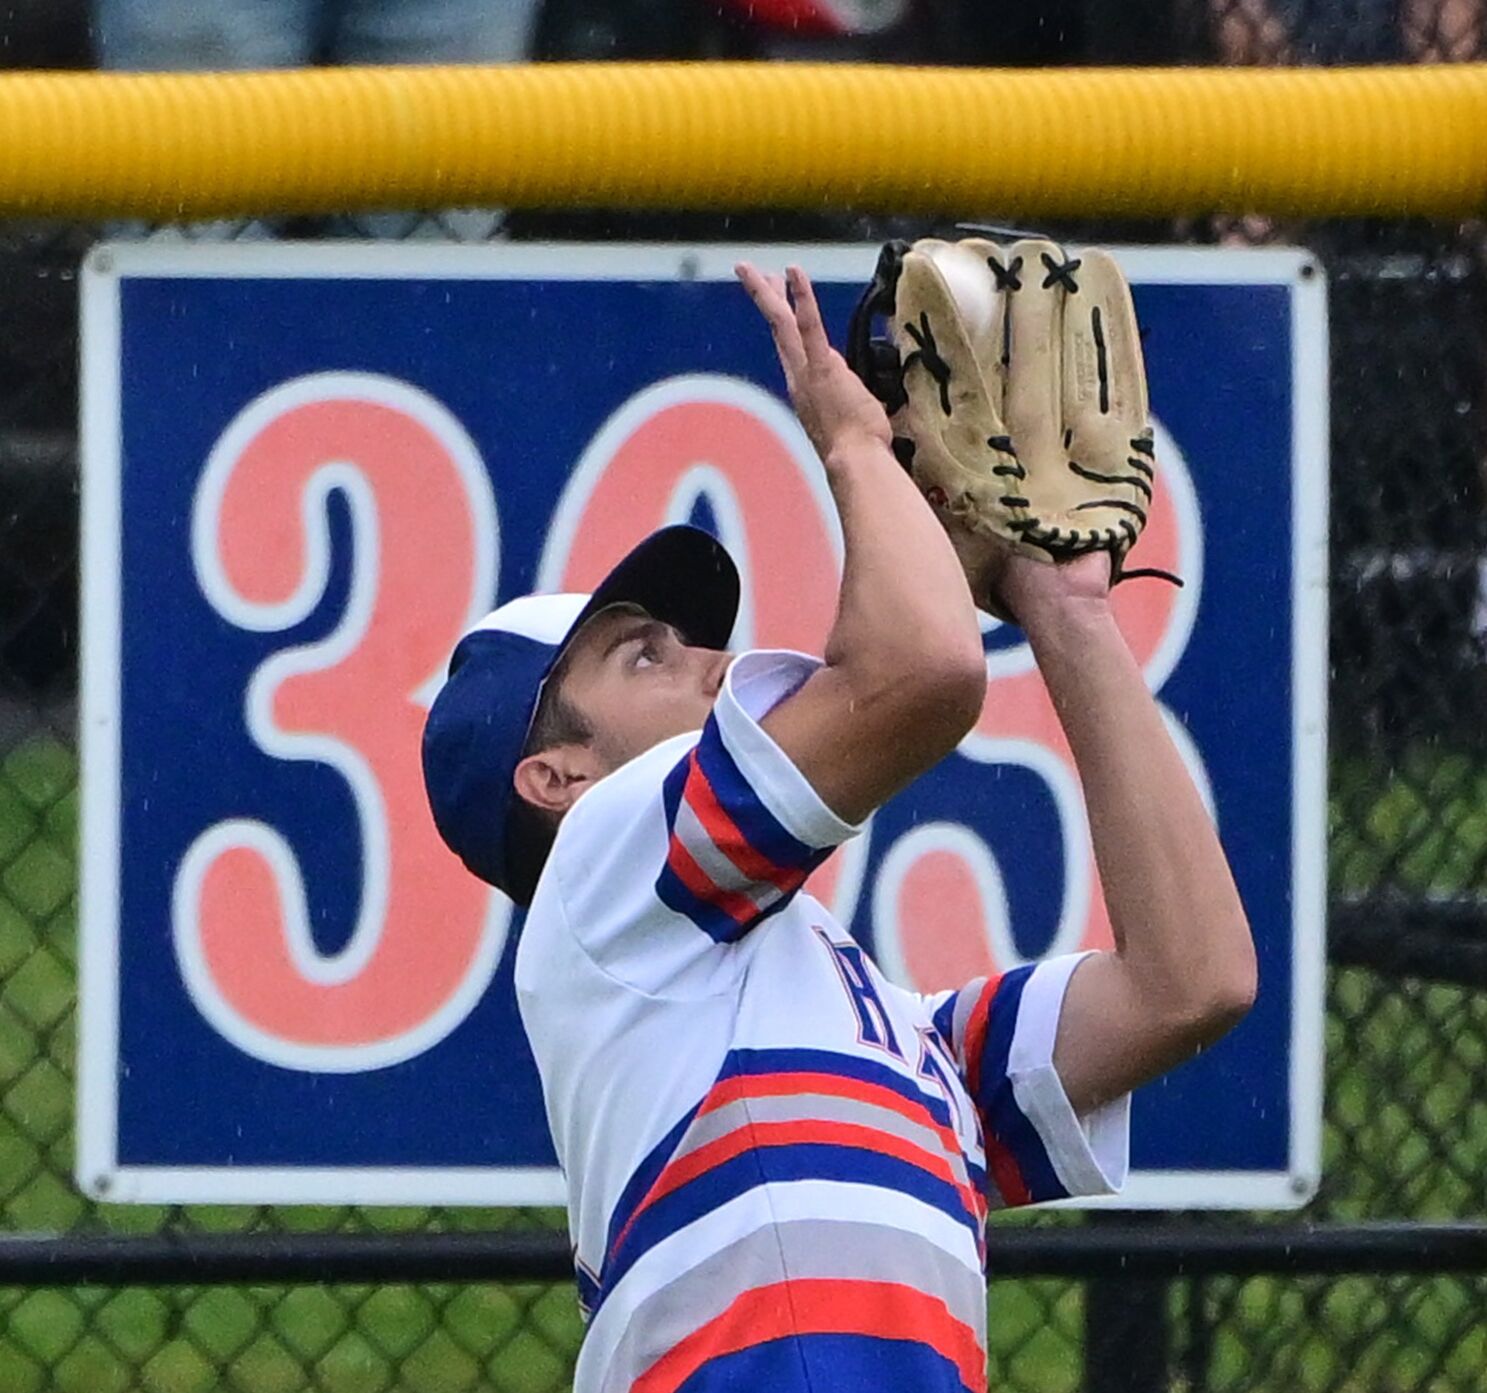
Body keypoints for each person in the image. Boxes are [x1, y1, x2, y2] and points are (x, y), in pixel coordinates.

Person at [421, 263, 1257, 1391]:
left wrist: (1070, 615)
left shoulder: (889, 1029)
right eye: (642, 655)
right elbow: (921, 675)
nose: (709, 658)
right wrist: (853, 442)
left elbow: (1190, 983)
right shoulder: (601, 874)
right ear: (556, 776)